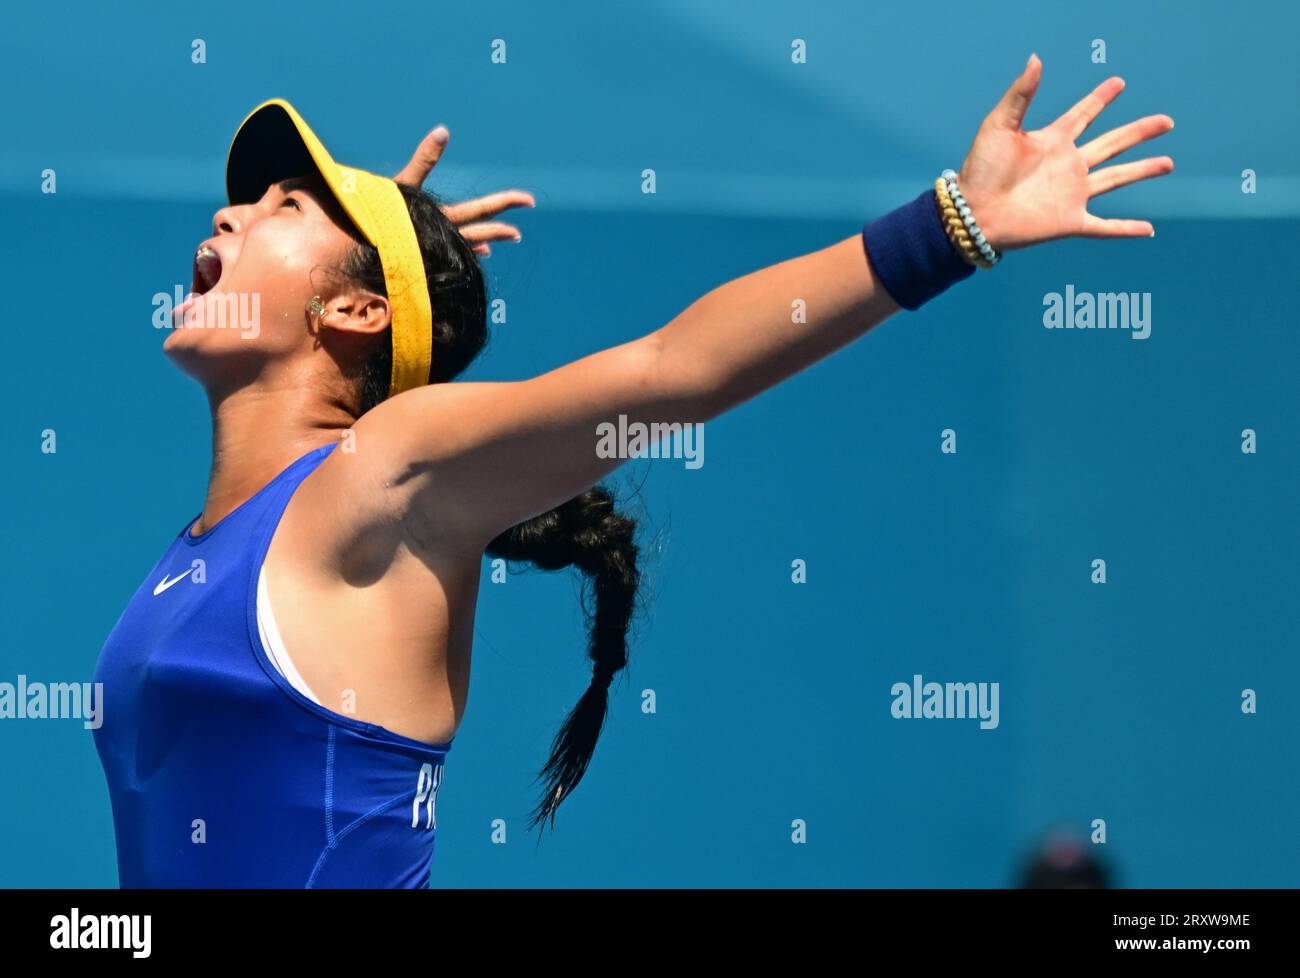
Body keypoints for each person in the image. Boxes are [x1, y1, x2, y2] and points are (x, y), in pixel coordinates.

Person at [93, 55, 1174, 887]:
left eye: (283, 208)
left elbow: (676, 370)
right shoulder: (210, 547)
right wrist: (401, 254)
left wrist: (948, 228)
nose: (227, 215)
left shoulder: (381, 476)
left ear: (354, 310)